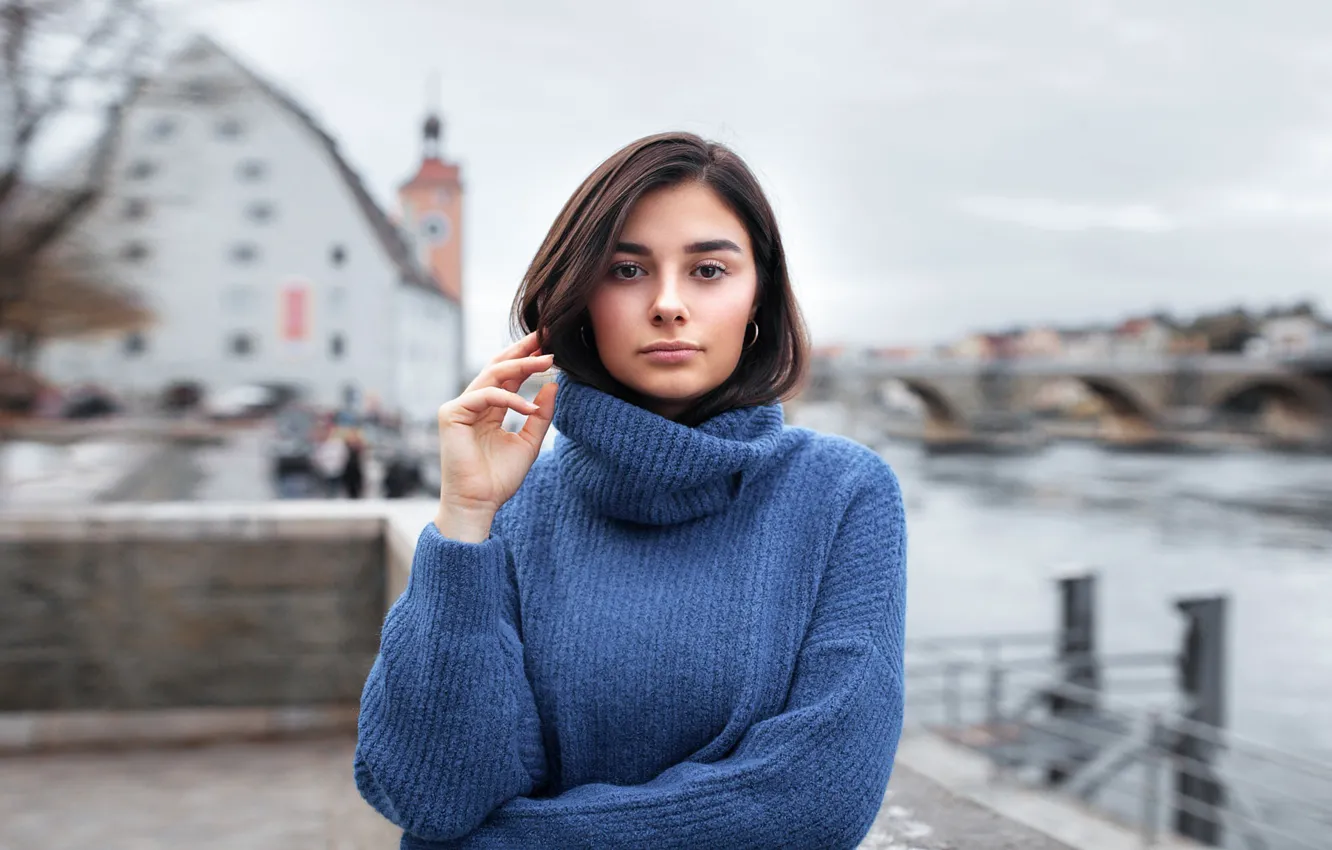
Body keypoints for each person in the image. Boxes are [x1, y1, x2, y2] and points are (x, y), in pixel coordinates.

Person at [354, 132, 908, 849]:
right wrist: (463, 521)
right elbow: (428, 793)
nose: (669, 304)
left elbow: (813, 799)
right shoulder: (515, 509)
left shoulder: (842, 494)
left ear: (758, 296)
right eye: (626, 270)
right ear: (579, 297)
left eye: (709, 269)